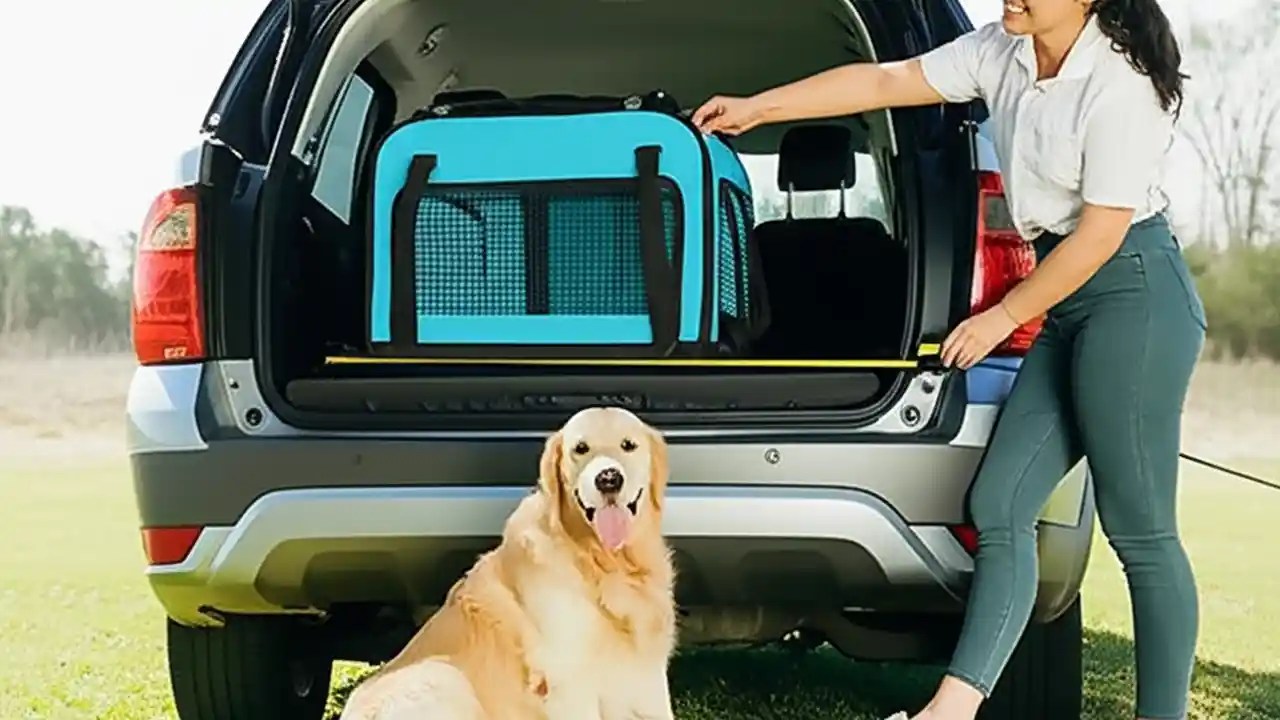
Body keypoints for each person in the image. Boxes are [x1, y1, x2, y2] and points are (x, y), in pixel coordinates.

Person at [692, 1, 1202, 719]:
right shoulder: (1001, 51)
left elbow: (1099, 237)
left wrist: (1001, 316)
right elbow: (882, 83)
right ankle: (950, 710)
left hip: (1133, 298)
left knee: (1140, 532)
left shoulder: (1118, 83)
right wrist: (758, 107)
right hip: (1064, 297)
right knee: (1000, 504)